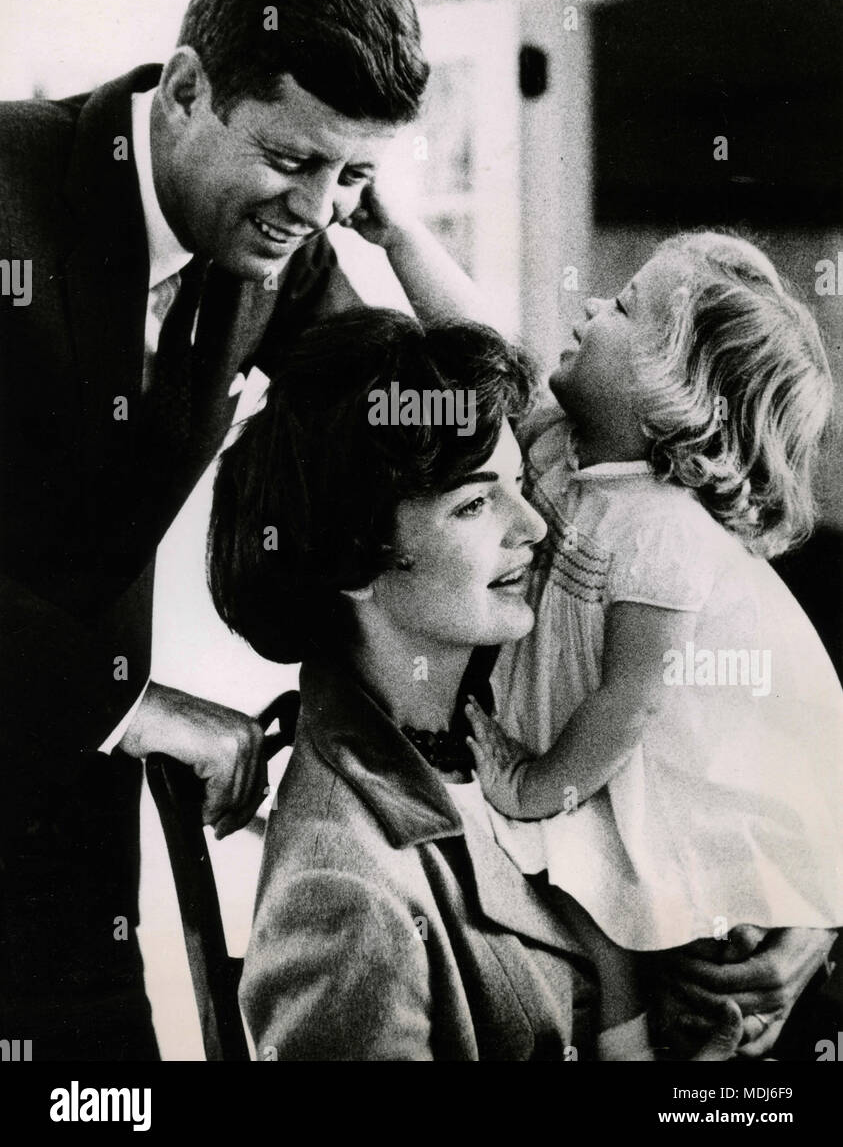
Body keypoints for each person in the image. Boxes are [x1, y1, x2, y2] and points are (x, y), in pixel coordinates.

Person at [0, 0, 490, 1060]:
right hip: (103, 724)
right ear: (184, 89)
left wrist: (401, 232)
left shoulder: (282, 243)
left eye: (351, 172)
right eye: (292, 158)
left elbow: (444, 418)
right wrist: (141, 707)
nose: (318, 208)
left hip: (68, 828)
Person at [207, 306, 814, 1061]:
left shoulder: (531, 697)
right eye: (473, 504)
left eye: (520, 483)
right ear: (353, 556)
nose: (532, 526)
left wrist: (809, 924)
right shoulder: (343, 887)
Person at [466, 230, 843, 1058]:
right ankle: (656, 1043)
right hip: (612, 762)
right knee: (596, 895)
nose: (592, 304)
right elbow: (468, 337)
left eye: (624, 306)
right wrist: (398, 239)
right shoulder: (564, 446)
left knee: (687, 930)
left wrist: (534, 786)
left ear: (669, 398)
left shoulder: (664, 532)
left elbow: (627, 701)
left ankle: (680, 1053)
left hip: (692, 777)